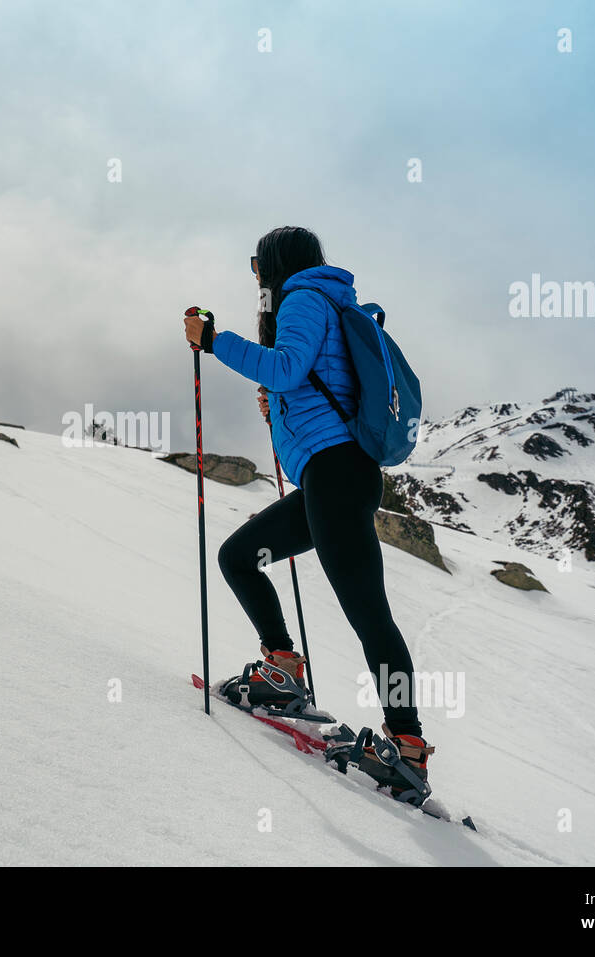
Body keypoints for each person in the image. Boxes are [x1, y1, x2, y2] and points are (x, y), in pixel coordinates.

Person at [182, 225, 432, 784]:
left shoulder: (301, 299)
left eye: (256, 265)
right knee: (239, 557)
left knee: (370, 615)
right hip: (331, 481)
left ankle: (407, 747)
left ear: (275, 264)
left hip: (338, 477)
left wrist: (213, 339)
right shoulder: (326, 301)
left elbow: (286, 368)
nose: (255, 276)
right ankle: (282, 669)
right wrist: (281, 410)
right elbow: (305, 380)